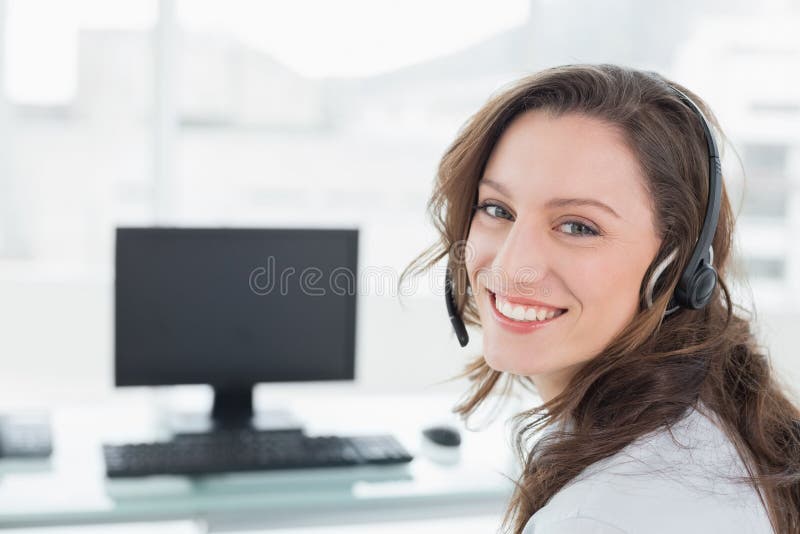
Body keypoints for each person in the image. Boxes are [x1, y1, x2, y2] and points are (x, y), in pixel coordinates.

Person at [400, 64, 800, 533]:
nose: (509, 267)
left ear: (675, 265)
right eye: (496, 209)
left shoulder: (600, 516)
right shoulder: (711, 429)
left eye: (577, 226)